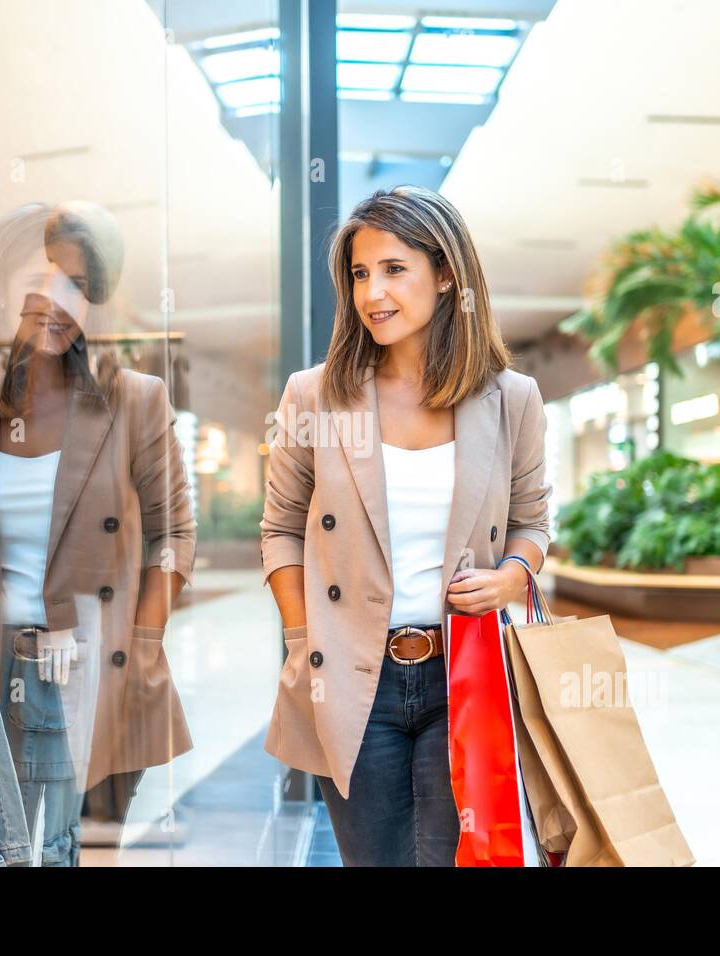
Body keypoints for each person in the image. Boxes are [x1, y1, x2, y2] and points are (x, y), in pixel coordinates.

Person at [260, 185, 553, 867]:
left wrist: (512, 578)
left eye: (394, 269)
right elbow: (279, 531)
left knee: (458, 858)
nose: (372, 293)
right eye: (360, 274)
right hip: (351, 677)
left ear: (447, 274)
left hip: (466, 672)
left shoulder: (511, 399)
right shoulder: (315, 394)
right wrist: (304, 639)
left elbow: (533, 522)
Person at [0, 201, 196, 866]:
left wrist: (141, 648)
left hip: (93, 665)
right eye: (44, 274)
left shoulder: (133, 398)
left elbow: (173, 532)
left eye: (79, 286)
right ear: (2, 279)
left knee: (77, 852)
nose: (59, 300)